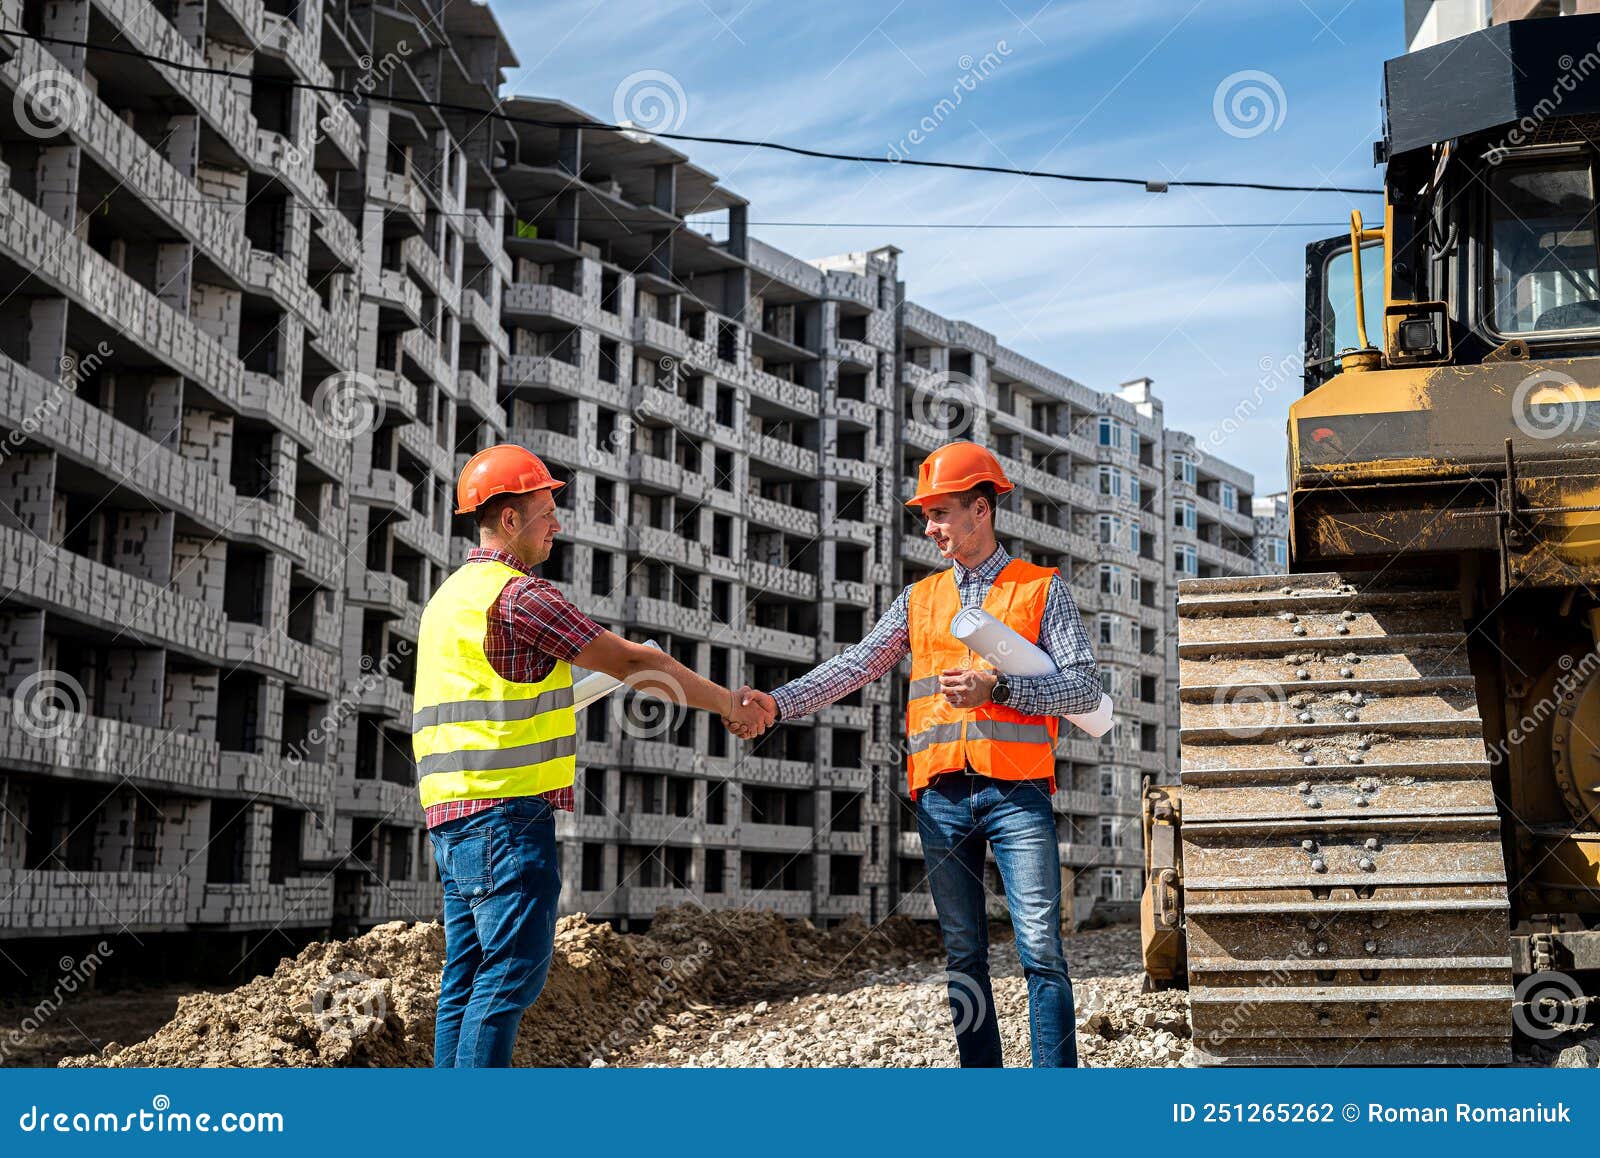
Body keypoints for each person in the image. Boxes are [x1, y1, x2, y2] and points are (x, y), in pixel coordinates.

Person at [739, 441, 1102, 1067]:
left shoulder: (1040, 589)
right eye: (925, 516)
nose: (929, 528)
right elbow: (856, 666)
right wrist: (778, 703)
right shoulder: (920, 599)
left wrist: (1004, 685)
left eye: (940, 513)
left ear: (980, 510)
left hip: (1018, 794)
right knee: (963, 951)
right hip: (941, 798)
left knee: (1040, 949)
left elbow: (1084, 690)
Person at [414, 443, 769, 1067]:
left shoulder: (448, 600)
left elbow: (492, 702)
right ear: (507, 520)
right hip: (505, 818)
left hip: (453, 817)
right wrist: (727, 704)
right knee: (510, 975)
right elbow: (635, 662)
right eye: (545, 510)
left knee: (465, 979)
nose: (557, 523)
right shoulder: (519, 597)